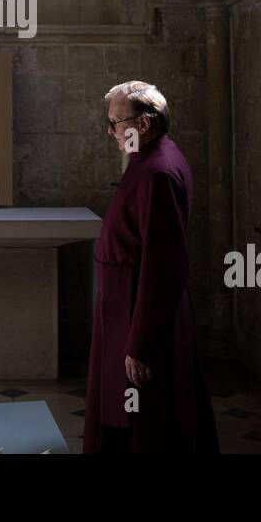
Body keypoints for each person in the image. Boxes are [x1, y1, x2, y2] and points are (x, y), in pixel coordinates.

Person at [84, 81, 220, 454]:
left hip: (138, 315)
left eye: (116, 123)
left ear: (143, 124)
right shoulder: (148, 158)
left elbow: (165, 265)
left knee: (147, 423)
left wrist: (140, 345)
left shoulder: (158, 172)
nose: (110, 132)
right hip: (124, 309)